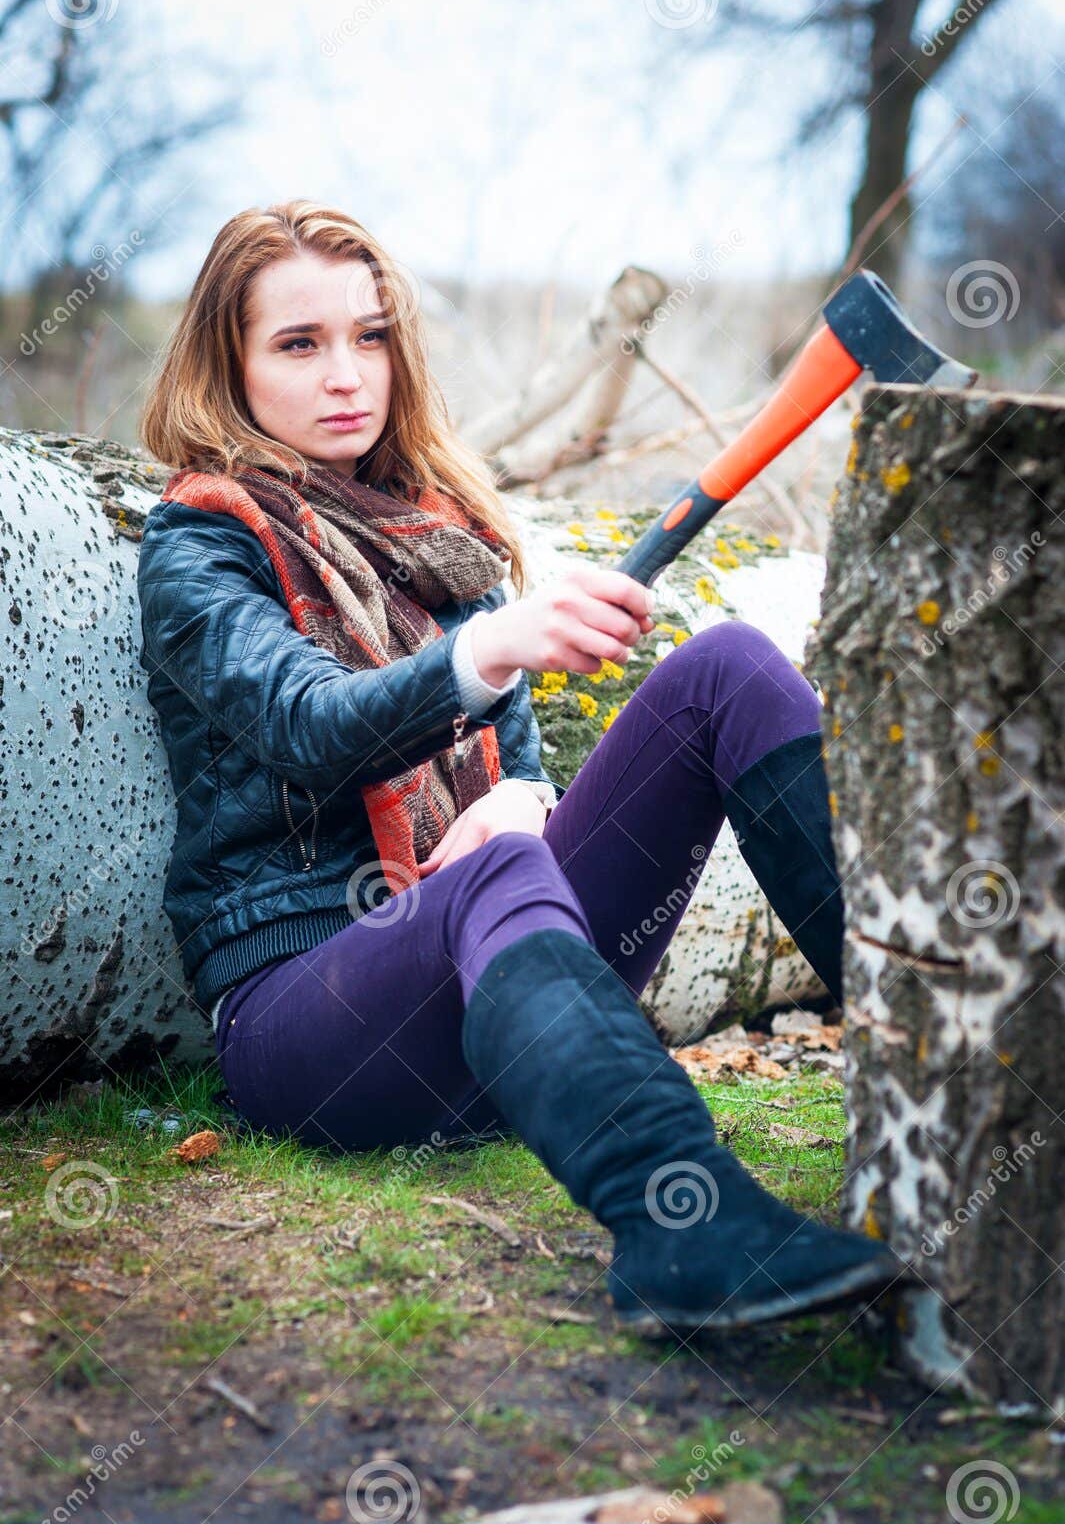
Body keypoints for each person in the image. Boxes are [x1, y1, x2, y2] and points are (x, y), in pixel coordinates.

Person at [136, 198, 903, 1336]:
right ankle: (681, 1227)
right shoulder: (200, 545)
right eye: (298, 344)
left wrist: (518, 798)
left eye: (371, 335)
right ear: (228, 365)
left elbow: (525, 776)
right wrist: (491, 646)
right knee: (489, 878)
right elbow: (306, 723)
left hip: (507, 995)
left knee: (729, 668)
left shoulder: (445, 544)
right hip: (310, 1016)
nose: (347, 372)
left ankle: (941, 1065)